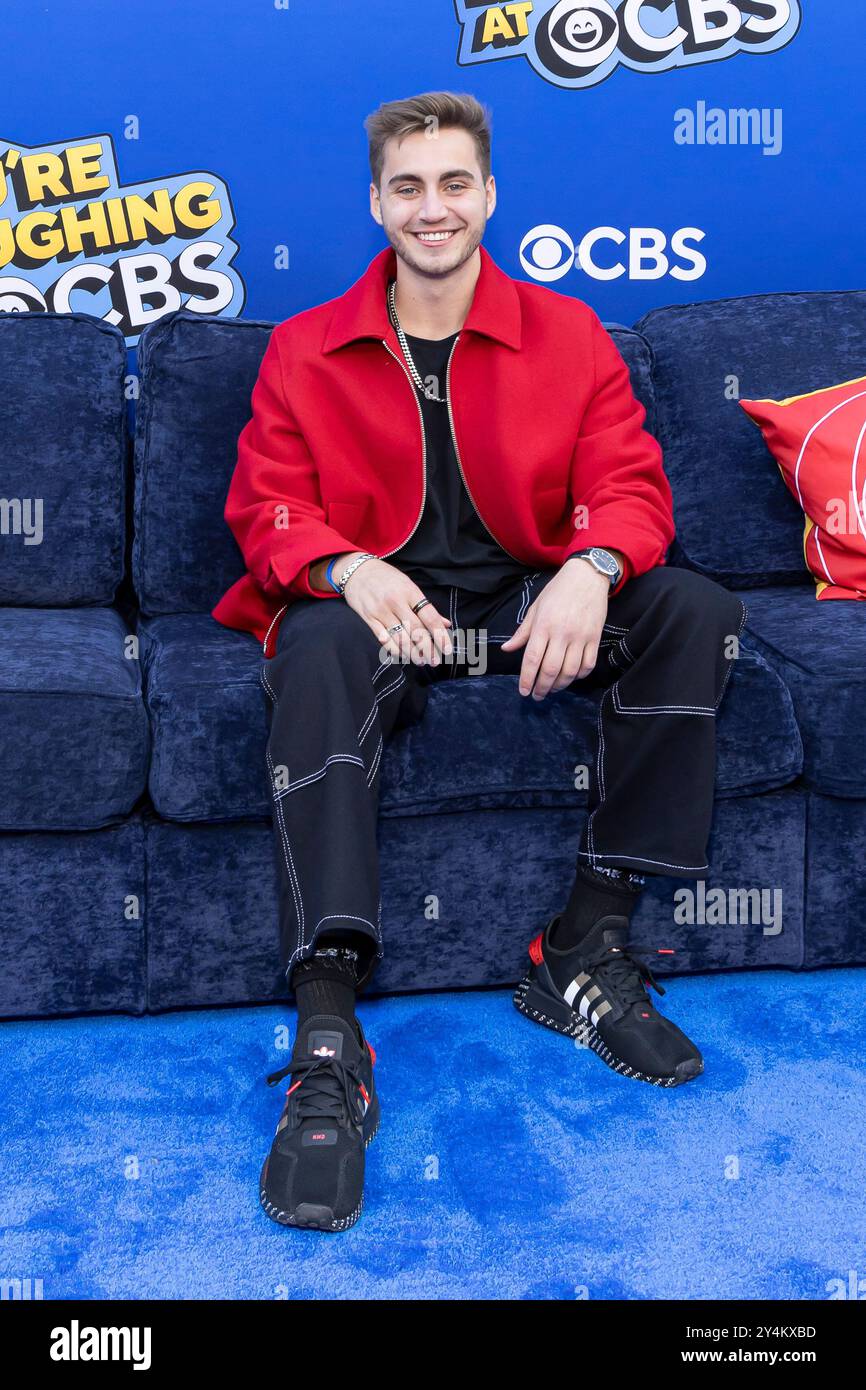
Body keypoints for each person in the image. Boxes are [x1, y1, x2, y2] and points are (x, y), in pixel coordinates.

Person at [212, 90, 747, 1233]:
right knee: (311, 642)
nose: (432, 207)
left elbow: (630, 486)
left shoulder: (568, 333)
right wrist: (345, 567)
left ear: (489, 194)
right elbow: (265, 509)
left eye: (453, 182)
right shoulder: (303, 349)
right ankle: (326, 1027)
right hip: (387, 618)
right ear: (374, 202)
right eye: (407, 186)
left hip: (518, 616)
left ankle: (583, 945)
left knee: (693, 608)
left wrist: (593, 563)